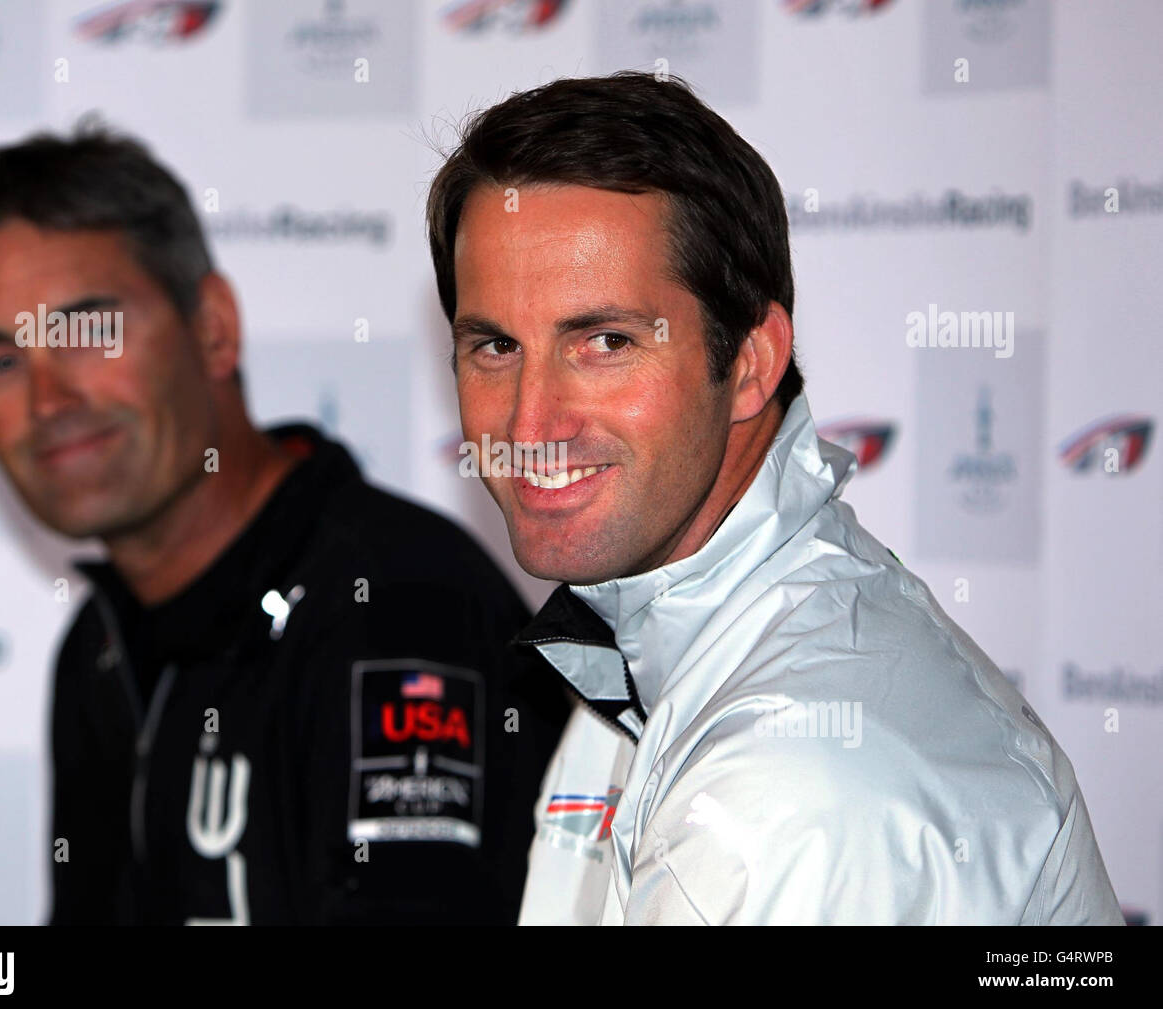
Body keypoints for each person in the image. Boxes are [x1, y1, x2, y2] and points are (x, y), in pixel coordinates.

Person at [425, 72, 1124, 925]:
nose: (531, 420)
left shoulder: (789, 790)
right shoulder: (649, 644)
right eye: (495, 345)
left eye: (604, 341)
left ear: (752, 360)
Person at [0, 124, 567, 925]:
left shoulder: (400, 607)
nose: (47, 401)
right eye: (0, 361)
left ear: (214, 327)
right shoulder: (98, 648)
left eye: (88, 331)